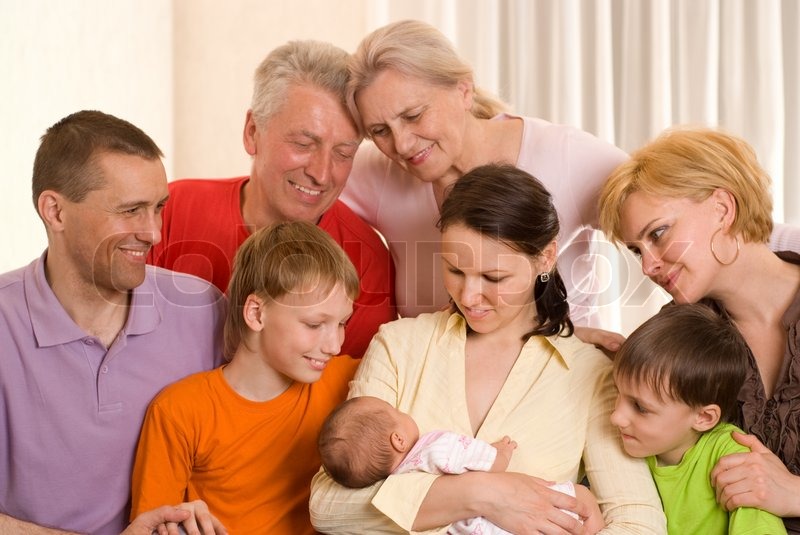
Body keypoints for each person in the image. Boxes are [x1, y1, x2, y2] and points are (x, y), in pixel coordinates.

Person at [309, 164, 666, 534]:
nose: (468, 297)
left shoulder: (590, 373)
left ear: (545, 258)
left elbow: (639, 523)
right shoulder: (399, 346)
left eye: (494, 278)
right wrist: (483, 493)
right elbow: (329, 506)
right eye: (455, 271)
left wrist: (426, 500)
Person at [0, 110, 226, 534]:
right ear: (55, 211)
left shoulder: (204, 309)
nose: (154, 232)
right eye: (131, 210)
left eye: (158, 208)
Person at [599, 127, 800, 533]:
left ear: (723, 209)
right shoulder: (675, 338)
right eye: (637, 249)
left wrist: (794, 492)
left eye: (658, 233)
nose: (648, 266)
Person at [148, 39, 396, 358]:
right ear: (253, 132)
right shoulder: (173, 208)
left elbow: (348, 396)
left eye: (343, 153)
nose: (322, 174)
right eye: (304, 144)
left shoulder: (366, 259)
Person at [131, 220, 362, 534]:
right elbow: (151, 526)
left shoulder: (349, 379)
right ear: (256, 313)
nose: (334, 345)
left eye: (342, 324)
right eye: (313, 324)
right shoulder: (179, 411)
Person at [611, 303, 787, 534]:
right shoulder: (617, 447)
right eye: (617, 393)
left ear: (703, 417)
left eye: (640, 407)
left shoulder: (734, 458)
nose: (616, 417)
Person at [318, 396, 592, 535]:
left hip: (465, 528)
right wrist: (502, 451)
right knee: (578, 501)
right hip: (500, 522)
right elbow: (488, 464)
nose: (405, 412)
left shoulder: (400, 481)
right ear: (399, 439)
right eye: (397, 412)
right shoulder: (436, 446)